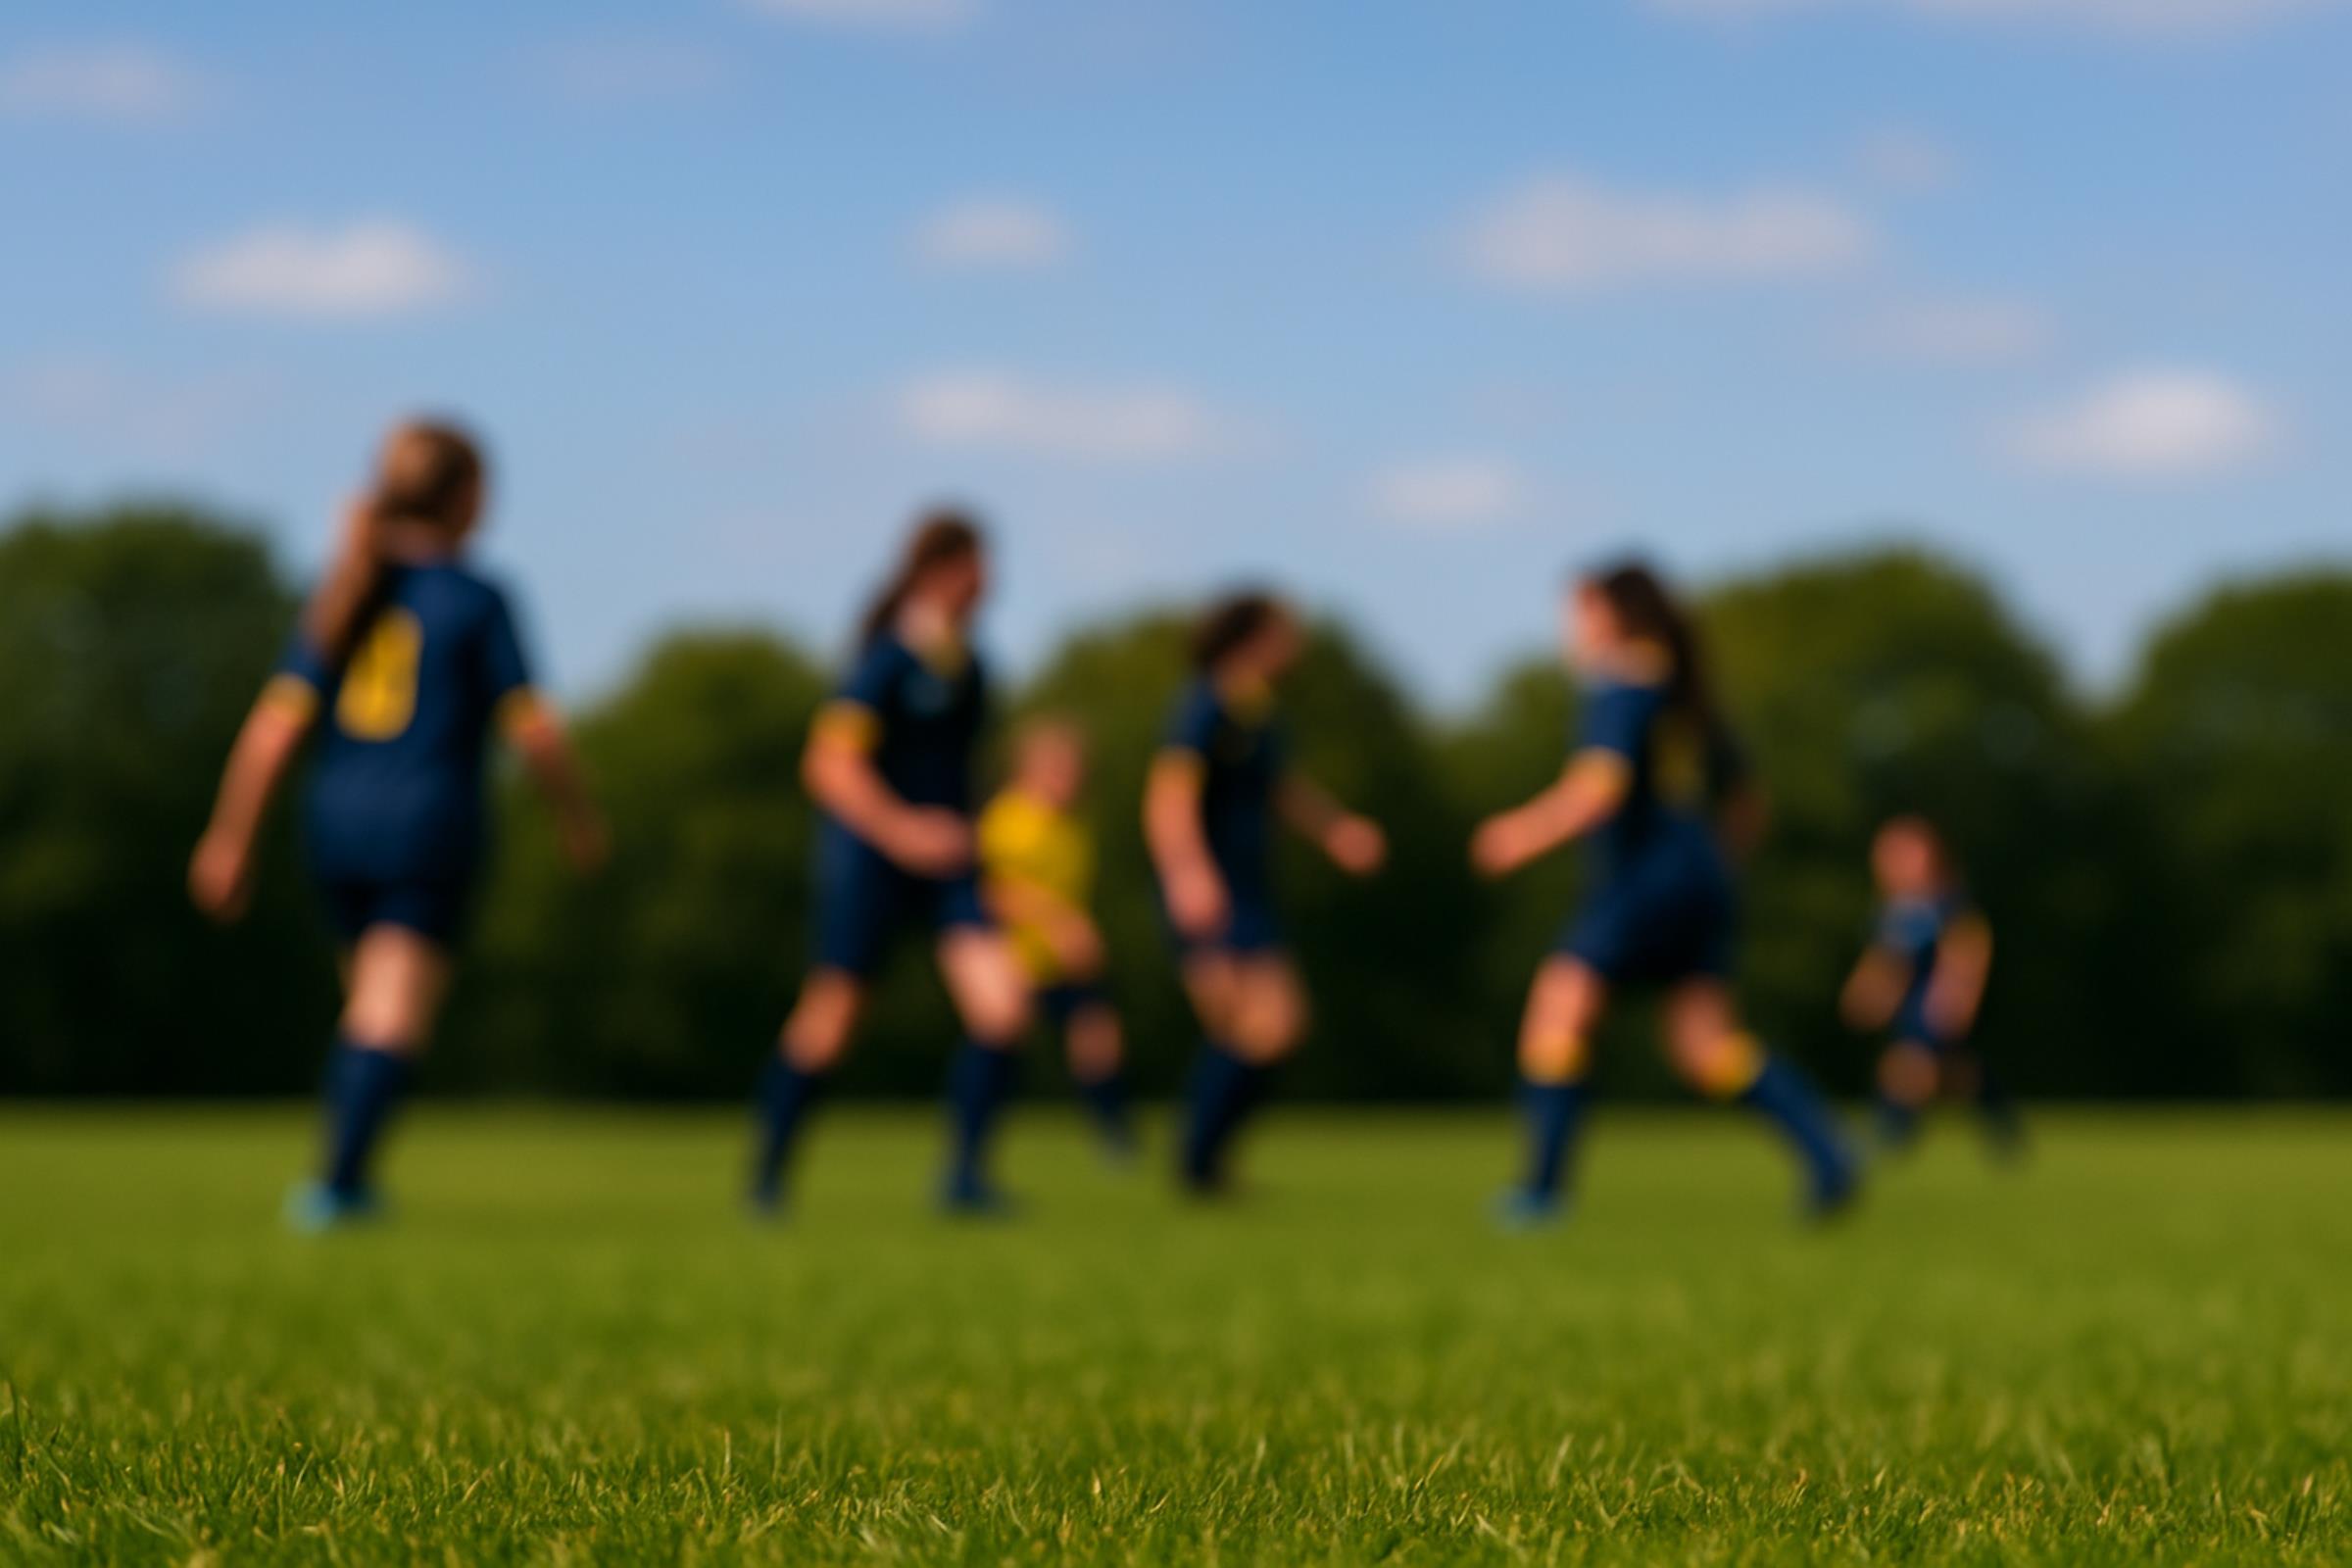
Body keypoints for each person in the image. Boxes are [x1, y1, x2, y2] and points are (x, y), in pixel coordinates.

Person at [189, 418, 606, 1231]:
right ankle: (336, 1187)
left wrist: (229, 835)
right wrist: (579, 816)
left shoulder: (347, 586)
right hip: (426, 823)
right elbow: (534, 728)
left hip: (335, 825)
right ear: (461, 497)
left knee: (365, 1010)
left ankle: (347, 1174)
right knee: (390, 1015)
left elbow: (273, 730)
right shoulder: (476, 597)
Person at [1472, 561, 1857, 1225]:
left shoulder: (1620, 684)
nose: (1569, 629)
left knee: (1557, 1016)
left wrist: (1518, 834)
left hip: (1643, 884)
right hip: (1698, 878)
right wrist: (1710, 868)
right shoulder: (1684, 691)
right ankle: (1826, 1153)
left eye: (1577, 612)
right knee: (1708, 1049)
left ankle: (1540, 1194)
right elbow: (1748, 805)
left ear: (1611, 616)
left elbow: (1600, 789)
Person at [747, 511, 1032, 1217]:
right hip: (871, 862)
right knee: (832, 1019)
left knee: (1005, 1007)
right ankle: (770, 1177)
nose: (992, 580)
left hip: (950, 869)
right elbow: (829, 766)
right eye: (981, 563)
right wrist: (902, 831)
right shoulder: (885, 658)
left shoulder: (971, 666)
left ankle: (963, 1178)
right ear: (944, 570)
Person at [1145, 592, 1387, 1195]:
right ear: (1252, 638)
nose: (1296, 644)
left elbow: (1281, 790)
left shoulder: (1259, 713)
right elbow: (1169, 798)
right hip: (1211, 896)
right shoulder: (1204, 706)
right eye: (1286, 632)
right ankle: (1199, 1161)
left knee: (1272, 1029)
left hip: (1249, 896)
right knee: (1249, 1026)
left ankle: (1203, 1160)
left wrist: (1337, 831)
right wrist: (1188, 874)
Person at [978, 718, 1135, 1157]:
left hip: (1066, 963)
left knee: (1100, 1042)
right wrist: (1056, 921)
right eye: (1062, 769)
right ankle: (974, 1150)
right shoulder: (1005, 820)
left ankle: (1115, 1138)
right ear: (1031, 768)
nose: (1072, 779)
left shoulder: (1074, 828)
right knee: (1002, 1051)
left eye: (1076, 770)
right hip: (1014, 959)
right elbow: (990, 890)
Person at [1841, 815, 2017, 1154]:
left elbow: (1968, 947)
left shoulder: (1947, 903)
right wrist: (1864, 991)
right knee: (1953, 1074)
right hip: (1911, 1001)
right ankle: (1997, 1114)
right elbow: (1884, 960)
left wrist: (1957, 994)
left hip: (1936, 998)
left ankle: (1891, 1133)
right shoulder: (1892, 910)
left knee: (1906, 1064)